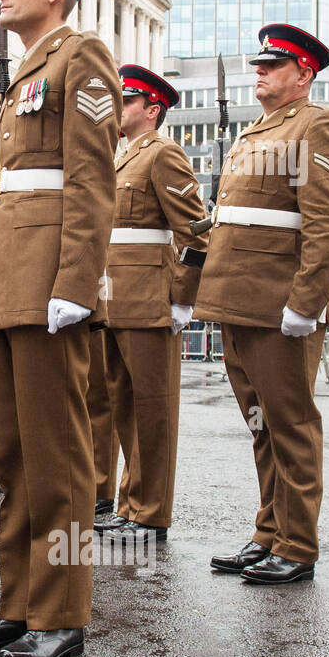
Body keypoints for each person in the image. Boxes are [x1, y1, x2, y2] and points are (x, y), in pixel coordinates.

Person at [0, 0, 118, 657]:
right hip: (6, 276)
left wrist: (76, 283)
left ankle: (61, 612)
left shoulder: (80, 57)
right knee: (15, 456)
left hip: (48, 276)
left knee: (59, 458)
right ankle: (21, 603)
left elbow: (91, 179)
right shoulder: (23, 71)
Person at [198, 23, 329, 585]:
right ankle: (268, 532)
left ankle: (298, 544)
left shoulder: (318, 125)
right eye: (258, 64)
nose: (258, 71)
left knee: (291, 427)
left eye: (273, 65)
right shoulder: (250, 134)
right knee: (261, 426)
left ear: (303, 75)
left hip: (280, 304)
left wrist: (306, 302)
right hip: (239, 301)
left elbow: (328, 223)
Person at [94, 64, 209, 543]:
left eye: (127, 102)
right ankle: (129, 502)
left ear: (152, 110)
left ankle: (150, 512)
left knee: (151, 409)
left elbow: (196, 231)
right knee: (122, 406)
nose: (117, 109)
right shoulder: (121, 157)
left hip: (150, 300)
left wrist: (182, 298)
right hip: (114, 299)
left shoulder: (164, 154)